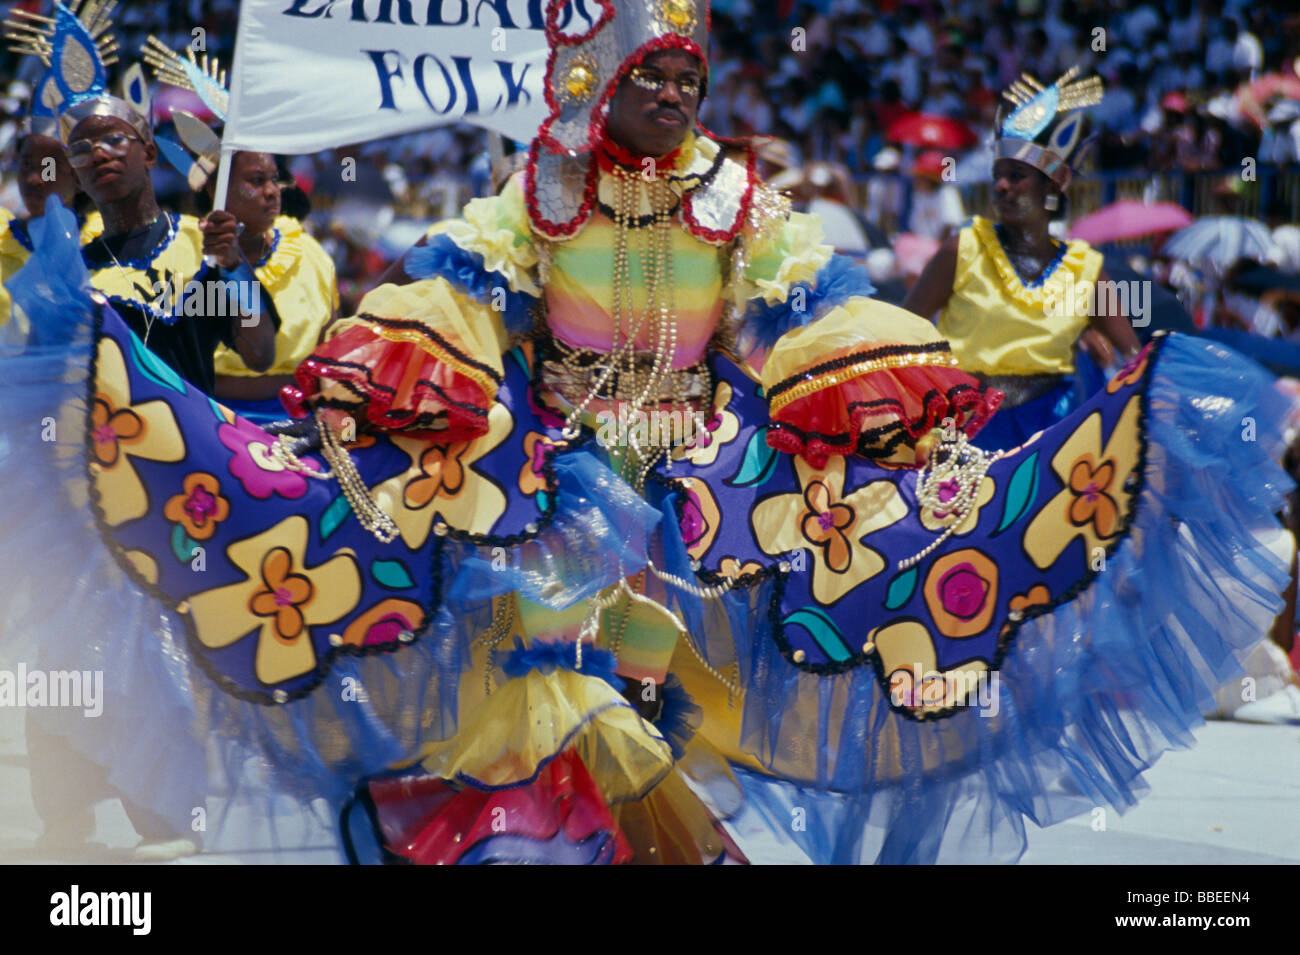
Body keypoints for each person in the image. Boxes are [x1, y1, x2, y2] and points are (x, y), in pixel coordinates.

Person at [2, 0, 1296, 866]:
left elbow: (819, 302)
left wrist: (895, 394)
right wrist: (406, 371)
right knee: (556, 706)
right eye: (654, 74)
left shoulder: (738, 194)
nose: (678, 92)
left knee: (693, 708)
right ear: (608, 83)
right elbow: (450, 281)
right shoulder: (540, 190)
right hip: (555, 493)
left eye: (692, 75)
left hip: (706, 492)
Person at [903, 69, 1141, 450]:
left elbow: (1134, 360)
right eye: (998, 175)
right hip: (962, 433)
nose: (1001, 185)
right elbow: (904, 329)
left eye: (1016, 176)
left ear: (1051, 185)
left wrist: (1082, 328)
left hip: (1049, 443)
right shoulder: (962, 248)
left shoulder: (1086, 269)